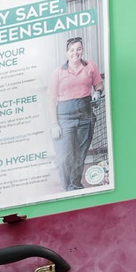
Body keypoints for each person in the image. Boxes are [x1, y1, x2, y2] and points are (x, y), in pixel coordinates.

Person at [51, 36, 105, 192]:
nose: (75, 53)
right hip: (64, 118)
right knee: (63, 157)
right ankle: (67, 187)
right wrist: (54, 124)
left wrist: (98, 92)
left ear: (82, 50)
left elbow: (98, 84)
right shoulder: (58, 72)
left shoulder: (90, 66)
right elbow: (51, 100)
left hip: (85, 116)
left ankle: (75, 186)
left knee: (80, 155)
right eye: (72, 50)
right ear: (67, 53)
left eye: (79, 49)